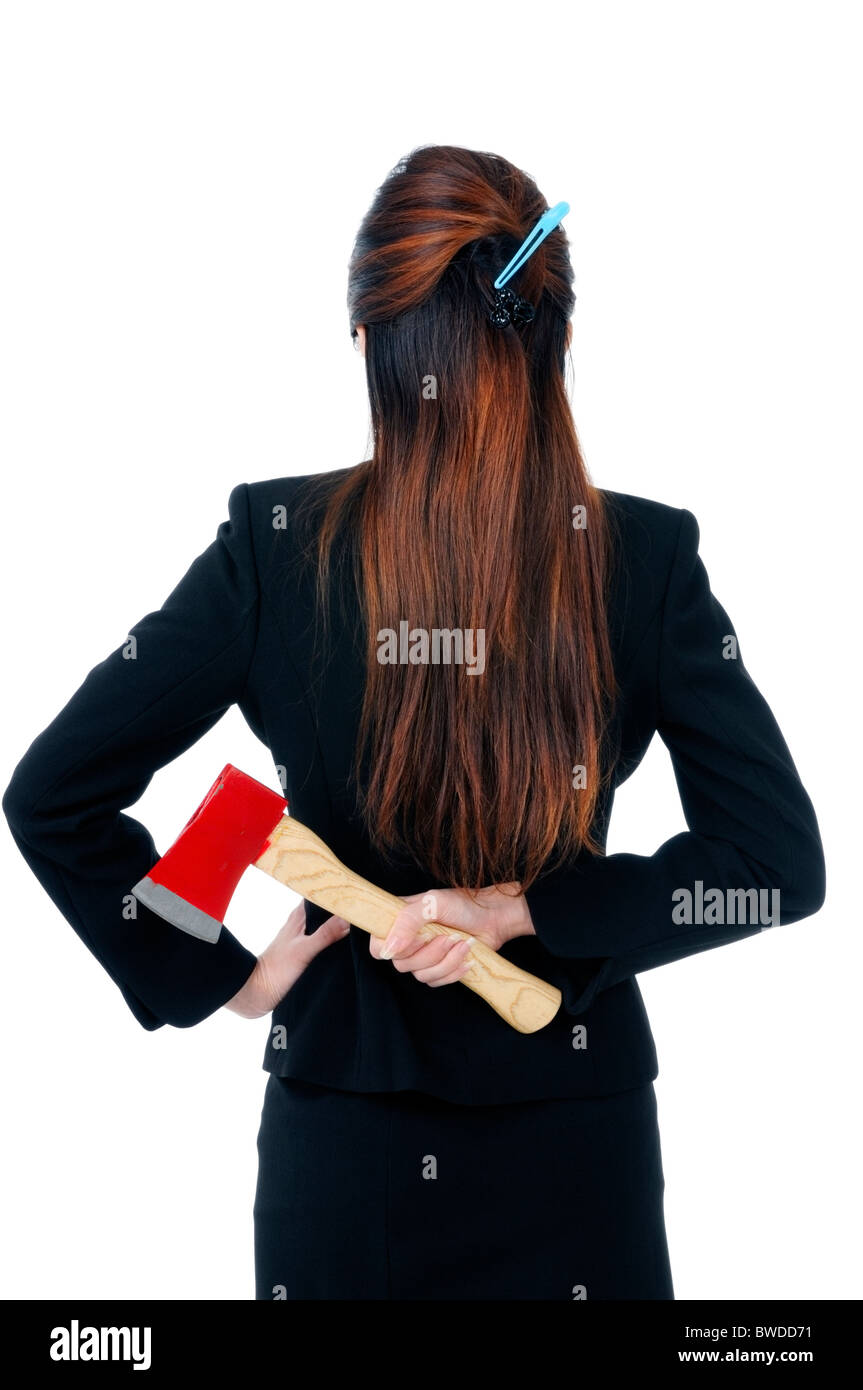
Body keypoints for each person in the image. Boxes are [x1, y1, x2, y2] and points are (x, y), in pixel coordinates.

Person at [2, 144, 826, 1301]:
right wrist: (523, 910)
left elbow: (55, 794)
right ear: (553, 345)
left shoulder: (274, 547)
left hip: (346, 1153)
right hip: (576, 1144)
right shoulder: (645, 559)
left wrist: (217, 972)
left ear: (365, 346)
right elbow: (770, 867)